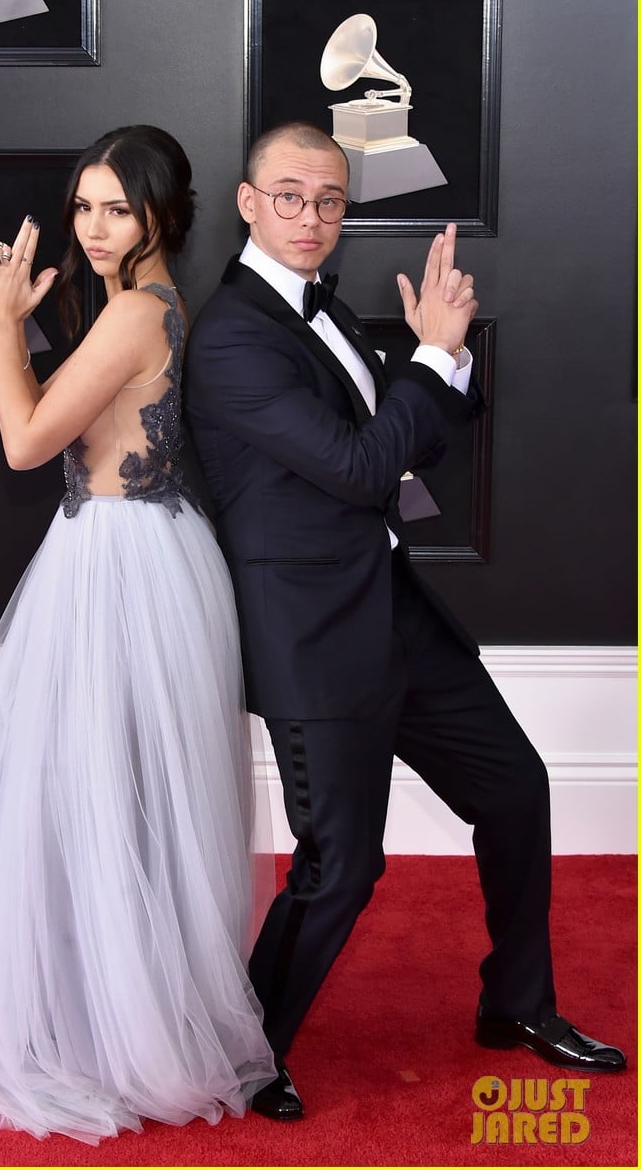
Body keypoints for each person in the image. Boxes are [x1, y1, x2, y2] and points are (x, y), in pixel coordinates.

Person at [183, 121, 626, 1121]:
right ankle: (248, 1052)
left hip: (392, 608)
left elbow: (401, 436)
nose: (311, 217)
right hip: (311, 638)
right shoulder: (231, 336)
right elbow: (360, 466)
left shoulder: (324, 309)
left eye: (330, 200)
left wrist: (441, 362)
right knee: (341, 867)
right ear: (248, 203)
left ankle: (517, 1005)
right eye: (289, 196)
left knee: (514, 789)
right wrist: (431, 355)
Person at [0, 125, 275, 1144]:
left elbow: (25, 444)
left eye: (118, 209)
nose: (95, 228)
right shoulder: (149, 304)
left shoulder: (135, 314)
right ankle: (109, 1012)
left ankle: (107, 1028)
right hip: (138, 554)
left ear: (162, 215)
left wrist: (2, 324)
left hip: (120, 566)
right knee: (107, 796)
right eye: (84, 207)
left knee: (86, 790)